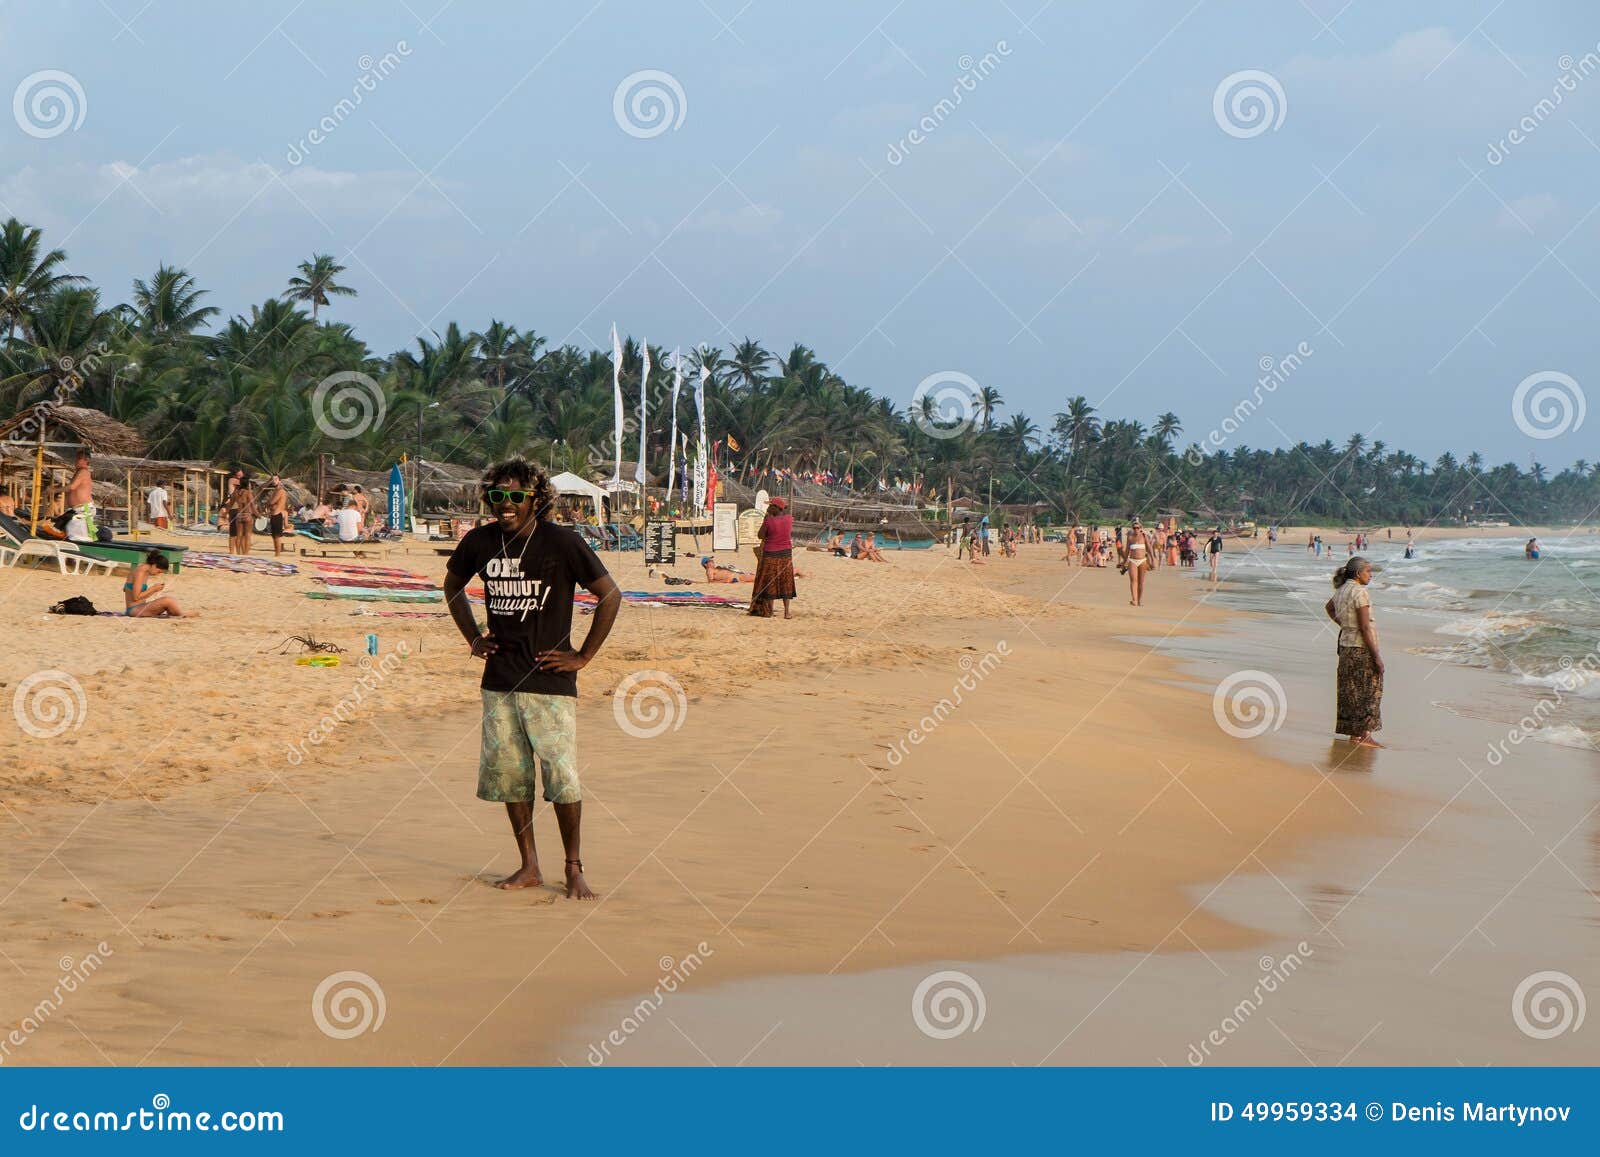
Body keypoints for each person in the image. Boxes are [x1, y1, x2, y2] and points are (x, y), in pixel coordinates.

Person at [441, 458, 620, 899]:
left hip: (549, 681)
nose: (506, 504)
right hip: (499, 680)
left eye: (516, 496)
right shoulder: (479, 541)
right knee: (511, 777)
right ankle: (529, 866)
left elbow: (610, 595)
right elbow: (451, 586)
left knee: (561, 777)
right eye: (498, 495)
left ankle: (574, 868)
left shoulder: (562, 542)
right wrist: (473, 637)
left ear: (536, 500)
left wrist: (583, 656)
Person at [1325, 556, 1384, 748]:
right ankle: (1364, 735)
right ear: (1358, 574)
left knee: (1350, 691)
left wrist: (1344, 624)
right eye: (1368, 571)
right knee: (1369, 691)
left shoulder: (1342, 590)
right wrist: (1376, 657)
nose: (1371, 575)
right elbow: (1365, 628)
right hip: (1361, 648)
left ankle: (1354, 735)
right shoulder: (1360, 592)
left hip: (1345, 646)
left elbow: (1329, 607)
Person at [749, 495, 796, 618]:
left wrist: (766, 518)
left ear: (776, 508)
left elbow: (760, 535)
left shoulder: (769, 520)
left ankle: (769, 611)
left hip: (770, 554)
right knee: (786, 582)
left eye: (771, 506)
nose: (768, 508)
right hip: (786, 554)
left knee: (770, 582)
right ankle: (786, 612)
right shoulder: (789, 519)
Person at [123, 551, 196, 618]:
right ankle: (181, 615)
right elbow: (136, 597)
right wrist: (153, 589)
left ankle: (179, 614)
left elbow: (125, 589)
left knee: (169, 602)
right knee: (168, 600)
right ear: (154, 565)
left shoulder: (144, 571)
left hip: (139, 607)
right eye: (159, 571)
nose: (157, 574)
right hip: (134, 610)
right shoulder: (140, 572)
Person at [62, 449, 96, 541]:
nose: (76, 461)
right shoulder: (79, 472)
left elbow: (72, 487)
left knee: (78, 537)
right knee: (74, 534)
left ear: (86, 460)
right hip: (79, 509)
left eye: (79, 459)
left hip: (84, 509)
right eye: (76, 458)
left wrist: (54, 490)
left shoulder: (83, 472)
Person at [223, 478, 256, 555]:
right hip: (247, 515)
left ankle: (238, 553)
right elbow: (253, 506)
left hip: (239, 515)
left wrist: (226, 513)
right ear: (247, 484)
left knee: (239, 535)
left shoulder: (236, 493)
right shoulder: (248, 493)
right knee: (247, 536)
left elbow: (230, 504)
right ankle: (245, 553)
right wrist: (258, 515)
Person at [1124, 516, 1150, 606]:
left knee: (1141, 582)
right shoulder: (1130, 537)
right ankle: (1134, 599)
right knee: (1133, 580)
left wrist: (1153, 558)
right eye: (1134, 528)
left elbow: (1149, 548)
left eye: (1138, 528)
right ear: (1132, 528)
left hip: (1143, 560)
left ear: (1141, 528)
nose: (1136, 529)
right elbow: (1127, 550)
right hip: (1132, 561)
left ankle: (1139, 600)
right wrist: (1124, 562)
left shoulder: (1144, 536)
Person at [262, 474, 289, 556]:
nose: (274, 481)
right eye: (272, 479)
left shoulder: (280, 491)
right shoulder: (275, 490)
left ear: (280, 481)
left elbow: (272, 501)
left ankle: (278, 554)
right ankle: (276, 553)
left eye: (276, 479)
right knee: (274, 536)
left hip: (278, 514)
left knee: (277, 536)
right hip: (273, 514)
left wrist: (267, 504)